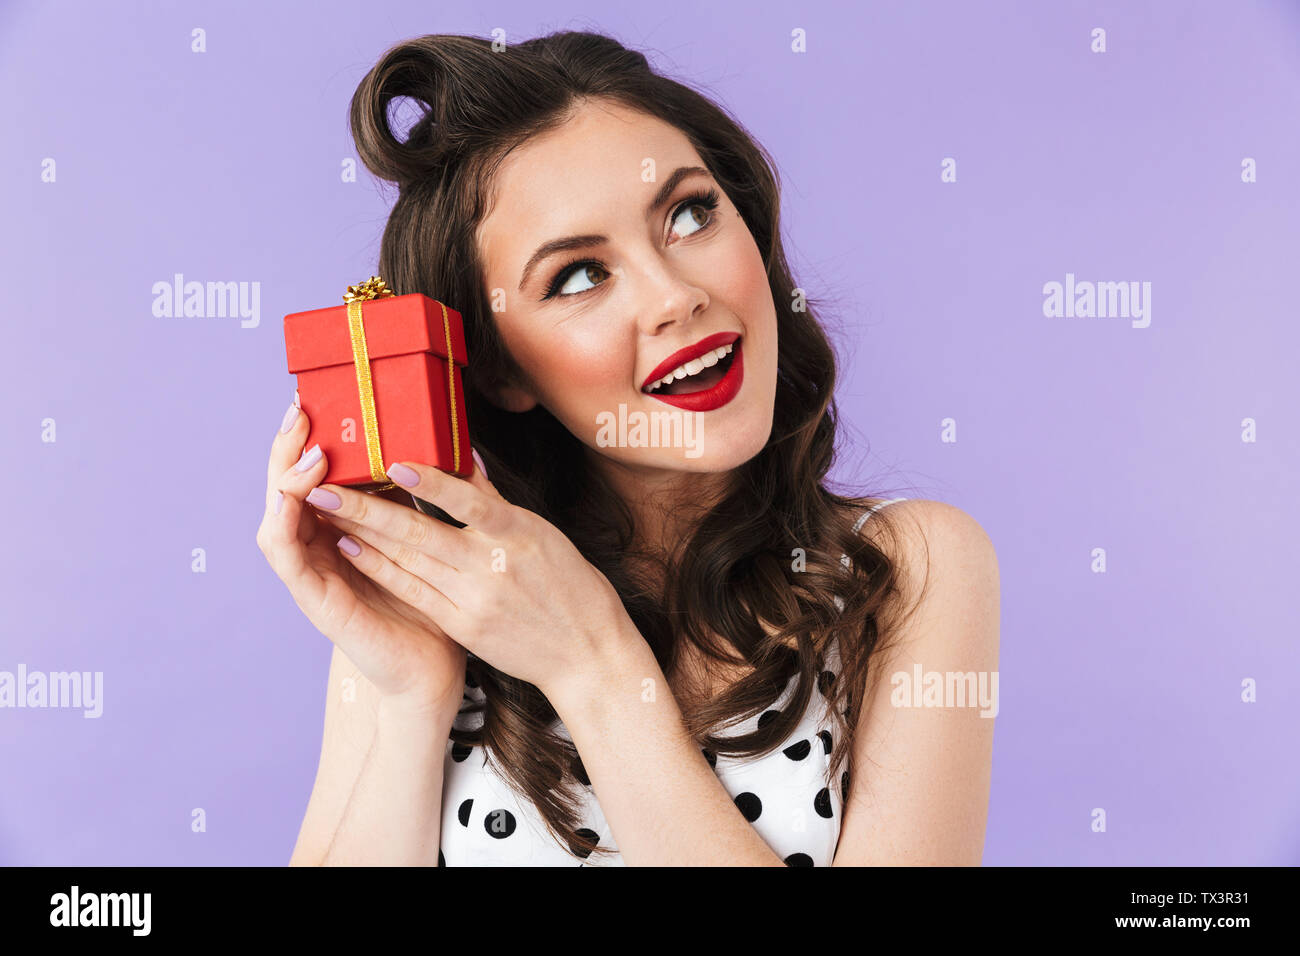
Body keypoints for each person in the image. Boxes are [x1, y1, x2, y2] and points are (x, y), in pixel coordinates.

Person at [257, 30, 1000, 866]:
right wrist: (409, 694)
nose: (678, 296)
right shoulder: (435, 596)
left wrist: (595, 666)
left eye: (690, 214)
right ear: (502, 372)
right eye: (579, 275)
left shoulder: (907, 570)